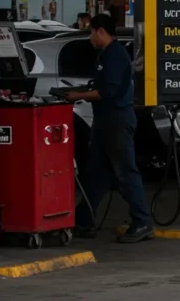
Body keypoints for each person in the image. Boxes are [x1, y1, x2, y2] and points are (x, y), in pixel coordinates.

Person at [67, 14, 153, 243]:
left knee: (125, 172)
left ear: (101, 31)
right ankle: (83, 221)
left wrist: (77, 95)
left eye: (91, 32)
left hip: (116, 120)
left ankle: (142, 221)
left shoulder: (115, 55)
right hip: (104, 120)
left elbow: (106, 92)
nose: (90, 38)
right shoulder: (105, 55)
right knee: (96, 173)